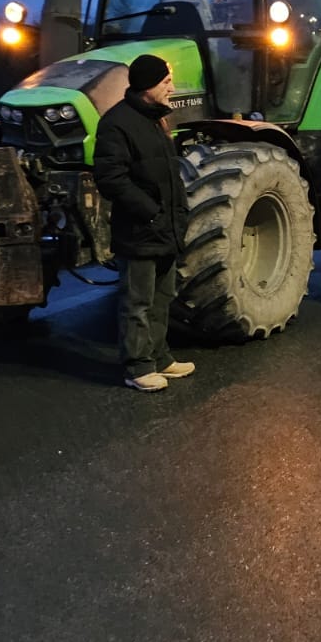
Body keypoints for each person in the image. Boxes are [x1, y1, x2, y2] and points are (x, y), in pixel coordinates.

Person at [93, 54, 195, 392]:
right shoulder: (117, 123)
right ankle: (137, 367)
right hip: (140, 229)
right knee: (138, 301)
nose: (172, 88)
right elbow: (111, 178)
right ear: (148, 85)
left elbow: (167, 174)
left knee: (162, 296)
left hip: (163, 227)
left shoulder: (156, 120)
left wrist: (175, 215)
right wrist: (149, 211)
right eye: (166, 82)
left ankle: (160, 357)